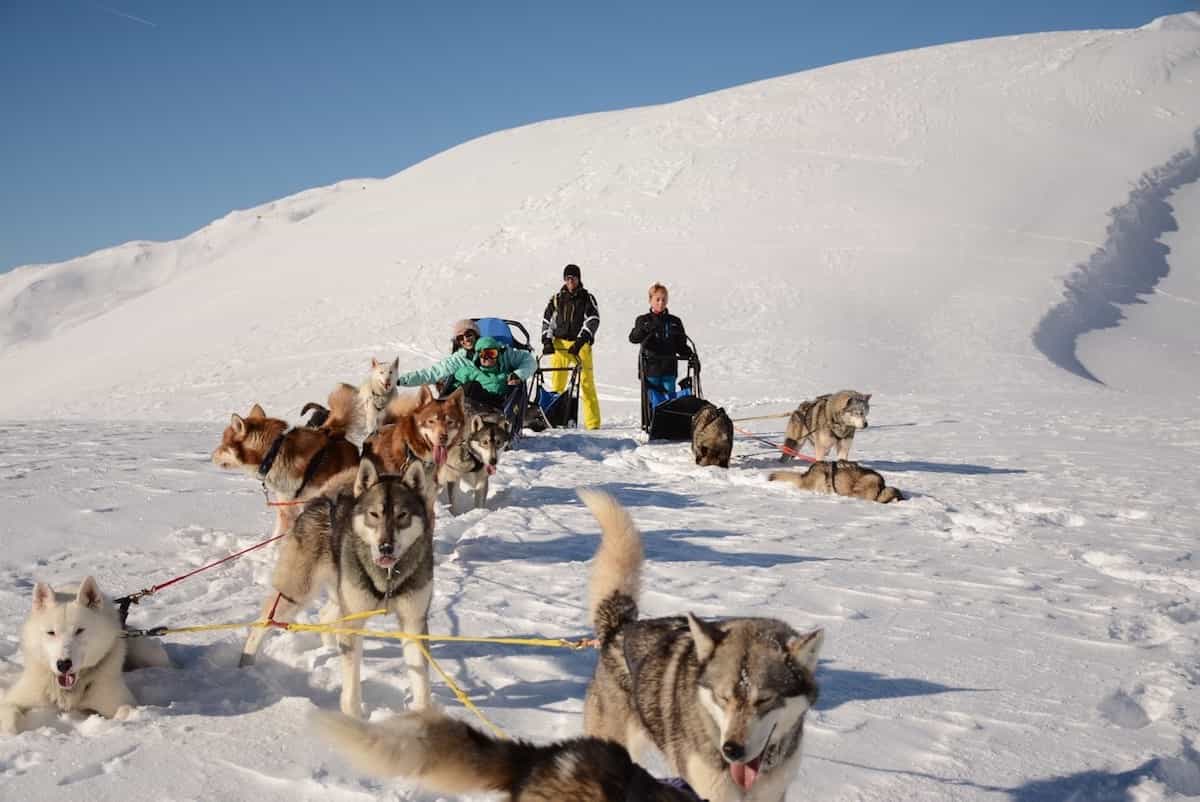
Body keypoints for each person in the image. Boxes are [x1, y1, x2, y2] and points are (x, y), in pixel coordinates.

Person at [541, 264, 601, 429]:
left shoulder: (587, 298)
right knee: (557, 384)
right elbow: (548, 321)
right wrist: (546, 341)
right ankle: (555, 419)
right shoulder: (556, 299)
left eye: (573, 278)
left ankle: (593, 424)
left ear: (578, 279)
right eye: (567, 278)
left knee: (586, 384)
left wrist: (581, 340)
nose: (570, 281)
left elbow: (593, 319)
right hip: (559, 345)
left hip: (580, 346)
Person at [629, 282, 691, 409]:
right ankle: (651, 425)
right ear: (650, 300)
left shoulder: (674, 321)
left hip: (669, 368)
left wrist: (691, 356)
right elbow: (633, 338)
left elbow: (681, 345)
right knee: (653, 403)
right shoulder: (643, 320)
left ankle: (670, 425)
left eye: (664, 299)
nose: (661, 303)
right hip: (651, 369)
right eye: (657, 299)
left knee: (671, 401)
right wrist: (644, 330)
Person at [452, 336, 536, 410]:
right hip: (479, 404)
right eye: (484, 354)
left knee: (515, 388)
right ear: (478, 356)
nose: (488, 358)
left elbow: (530, 361)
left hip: (501, 405)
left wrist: (518, 375)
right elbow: (456, 382)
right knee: (471, 386)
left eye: (492, 354)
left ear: (498, 355)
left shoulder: (505, 371)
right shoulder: (471, 371)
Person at [396, 319, 480, 390]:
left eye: (468, 334)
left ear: (476, 335)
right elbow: (432, 373)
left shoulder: (489, 351)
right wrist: (403, 380)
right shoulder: (457, 360)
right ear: (457, 342)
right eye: (460, 338)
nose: (466, 339)